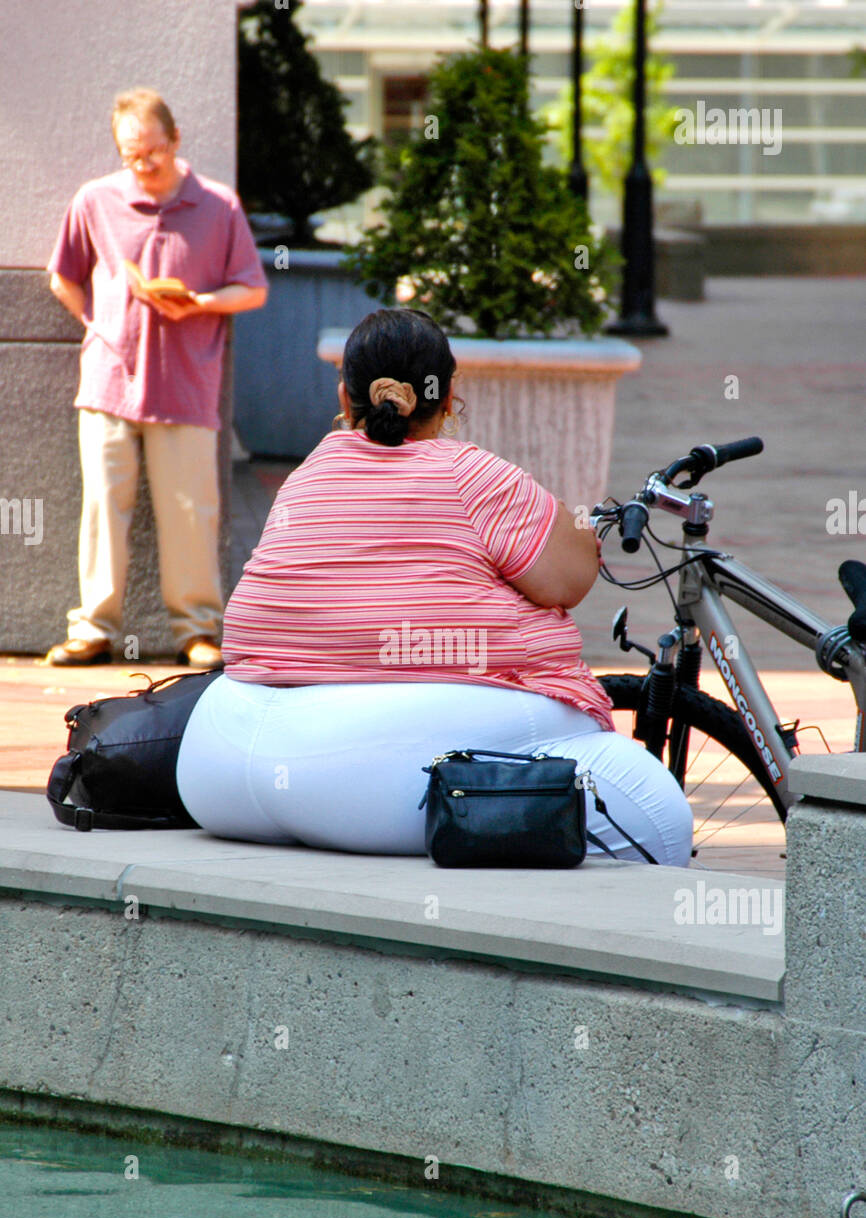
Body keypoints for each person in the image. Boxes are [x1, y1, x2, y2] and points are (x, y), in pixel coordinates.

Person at [177, 308, 693, 865]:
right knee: (657, 811)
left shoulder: (307, 475)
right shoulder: (469, 473)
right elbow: (568, 579)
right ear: (449, 398)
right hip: (362, 776)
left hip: (219, 764)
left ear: (344, 398)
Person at [44, 88, 268, 668]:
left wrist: (198, 302)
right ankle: (93, 628)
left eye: (153, 153)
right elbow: (62, 275)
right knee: (102, 506)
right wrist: (97, 323)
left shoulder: (218, 205)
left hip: (187, 385)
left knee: (192, 511)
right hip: (109, 381)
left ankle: (197, 631)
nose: (142, 165)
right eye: (130, 154)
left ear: (176, 140)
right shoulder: (95, 200)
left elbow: (254, 288)